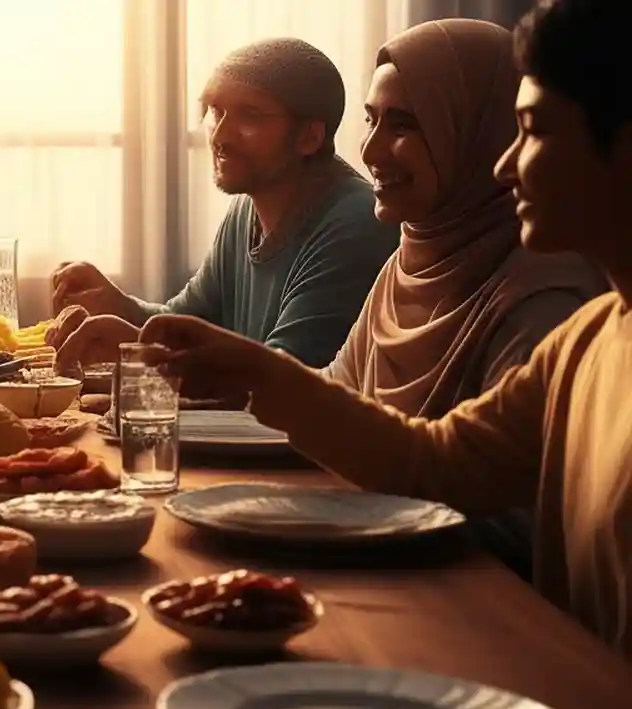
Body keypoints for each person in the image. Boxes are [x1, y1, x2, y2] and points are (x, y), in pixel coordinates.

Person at [140, 0, 632, 657]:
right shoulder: (594, 336)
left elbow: (494, 526)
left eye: (534, 131)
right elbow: (435, 462)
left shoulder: (556, 304)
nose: (504, 164)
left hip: (496, 638)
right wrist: (260, 373)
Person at [331, 19, 608, 576]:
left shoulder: (552, 298)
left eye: (404, 124)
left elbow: (510, 520)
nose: (369, 149)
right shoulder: (411, 258)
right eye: (370, 120)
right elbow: (345, 401)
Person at [49, 38, 397, 371]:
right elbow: (189, 320)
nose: (220, 136)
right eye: (216, 111)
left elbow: (287, 380)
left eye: (250, 115)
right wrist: (118, 305)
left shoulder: (355, 224)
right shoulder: (247, 208)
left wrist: (139, 348)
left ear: (309, 137)